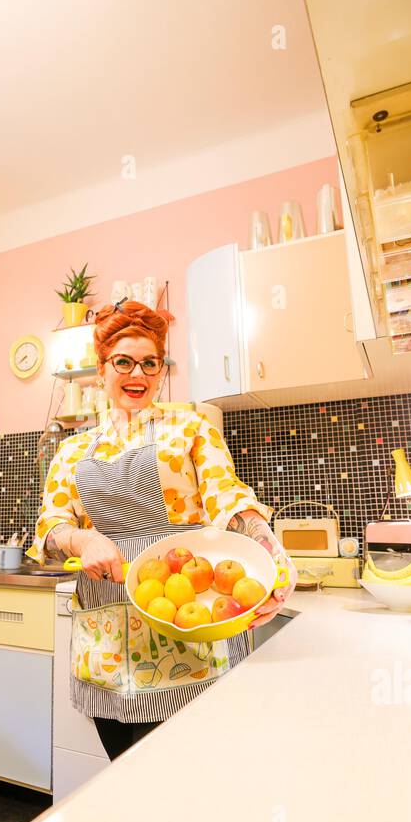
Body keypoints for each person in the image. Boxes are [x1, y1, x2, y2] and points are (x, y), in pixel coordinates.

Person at [35, 300, 295, 760]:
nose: (137, 373)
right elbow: (50, 531)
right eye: (124, 362)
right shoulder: (71, 452)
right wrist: (84, 538)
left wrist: (269, 546)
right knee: (126, 771)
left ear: (160, 370)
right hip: (109, 639)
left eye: (150, 363)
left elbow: (227, 497)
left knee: (198, 770)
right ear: (101, 369)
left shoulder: (190, 429)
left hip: (190, 632)